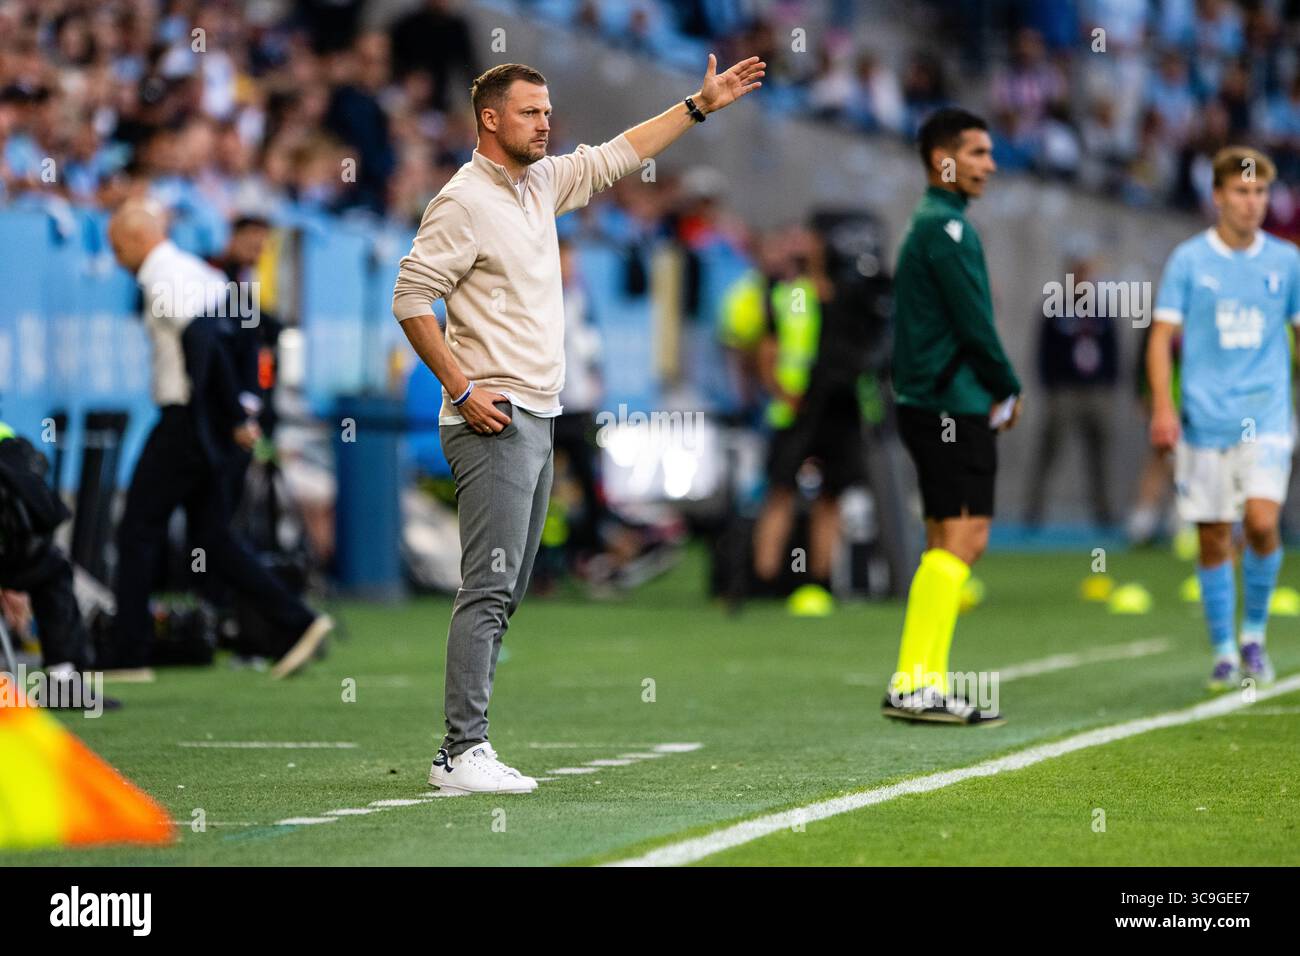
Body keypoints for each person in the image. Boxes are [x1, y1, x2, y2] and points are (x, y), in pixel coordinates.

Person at [394, 56, 764, 795]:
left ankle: (457, 751)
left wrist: (698, 106)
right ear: (491, 120)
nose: (546, 122)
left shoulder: (540, 184)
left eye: (548, 110)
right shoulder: (463, 200)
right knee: (489, 587)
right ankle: (463, 750)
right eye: (530, 112)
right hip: (491, 414)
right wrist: (463, 389)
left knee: (512, 585)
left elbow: (623, 152)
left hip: (538, 412)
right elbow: (411, 298)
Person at [104, 201, 333, 679]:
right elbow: (245, 334)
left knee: (138, 529)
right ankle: (297, 620)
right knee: (213, 536)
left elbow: (202, 339)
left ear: (135, 239)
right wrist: (246, 404)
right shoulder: (197, 271)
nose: (115, 257)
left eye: (117, 246)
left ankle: (129, 653)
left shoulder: (160, 276)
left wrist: (230, 412)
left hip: (188, 418)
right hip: (215, 420)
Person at [884, 107, 1022, 725]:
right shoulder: (947, 230)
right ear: (943, 158)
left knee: (946, 539)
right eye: (977, 153)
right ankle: (916, 683)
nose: (989, 165)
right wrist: (1008, 387)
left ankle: (920, 682)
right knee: (964, 539)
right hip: (951, 404)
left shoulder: (935, 224)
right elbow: (975, 324)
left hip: (930, 401)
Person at [1147, 146, 1300, 690]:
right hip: (1204, 422)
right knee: (1213, 538)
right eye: (1242, 191)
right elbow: (1161, 336)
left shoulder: (1286, 262)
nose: (1253, 202)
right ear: (1217, 195)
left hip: (1268, 418)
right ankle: (1222, 651)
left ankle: (1254, 637)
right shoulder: (1189, 260)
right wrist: (1164, 407)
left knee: (1260, 522)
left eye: (1261, 192)